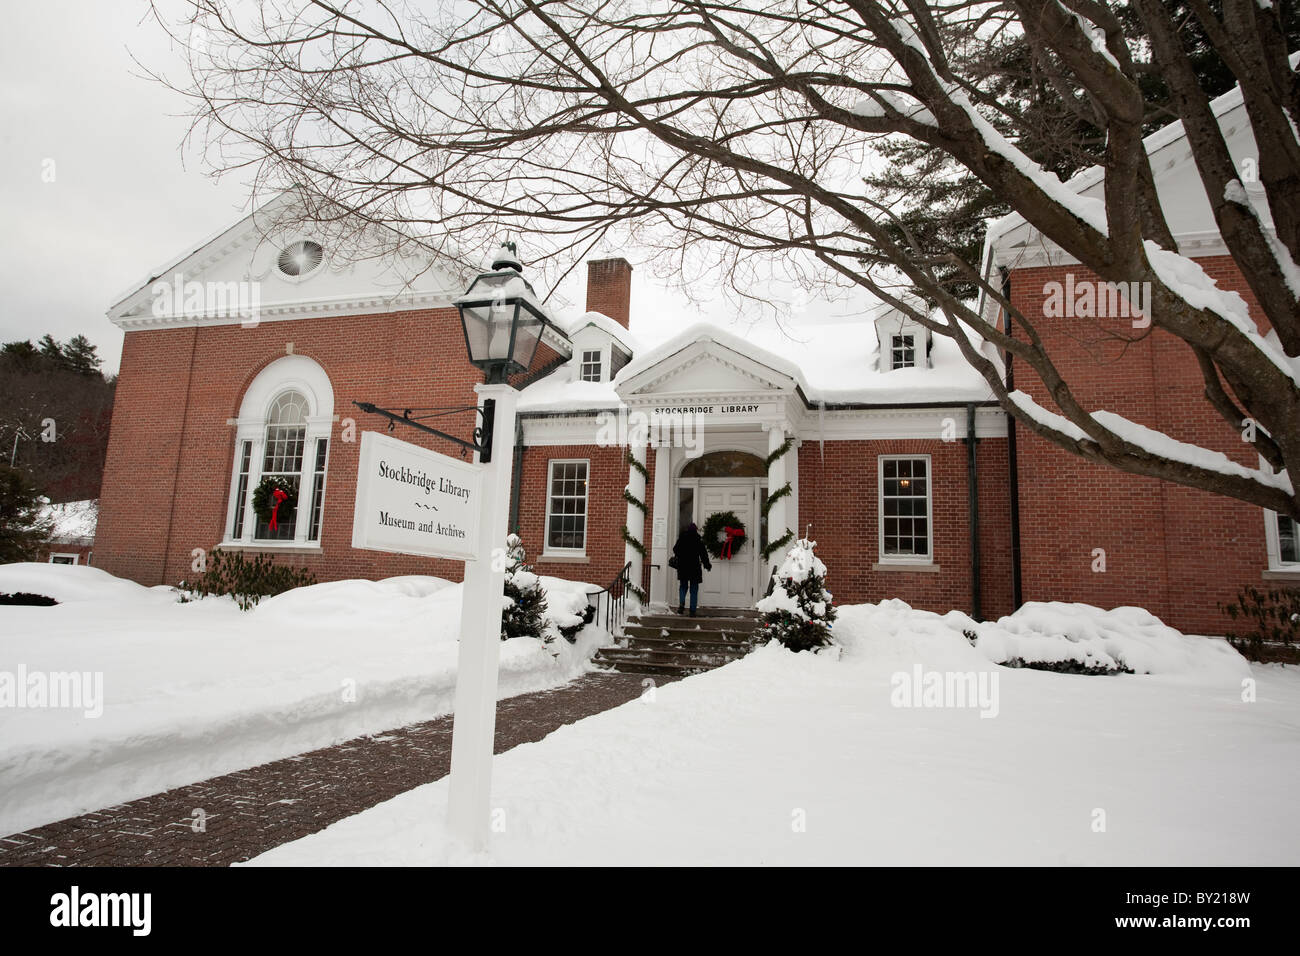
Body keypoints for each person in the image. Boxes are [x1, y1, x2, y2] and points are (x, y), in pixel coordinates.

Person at [672, 522, 712, 616]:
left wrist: (681, 554)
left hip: (683, 566)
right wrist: (707, 565)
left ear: (688, 530)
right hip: (694, 567)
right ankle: (692, 610)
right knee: (694, 589)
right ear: (696, 530)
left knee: (683, 586)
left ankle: (681, 604)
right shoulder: (698, 540)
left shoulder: (682, 538)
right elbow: (703, 555)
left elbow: (675, 550)